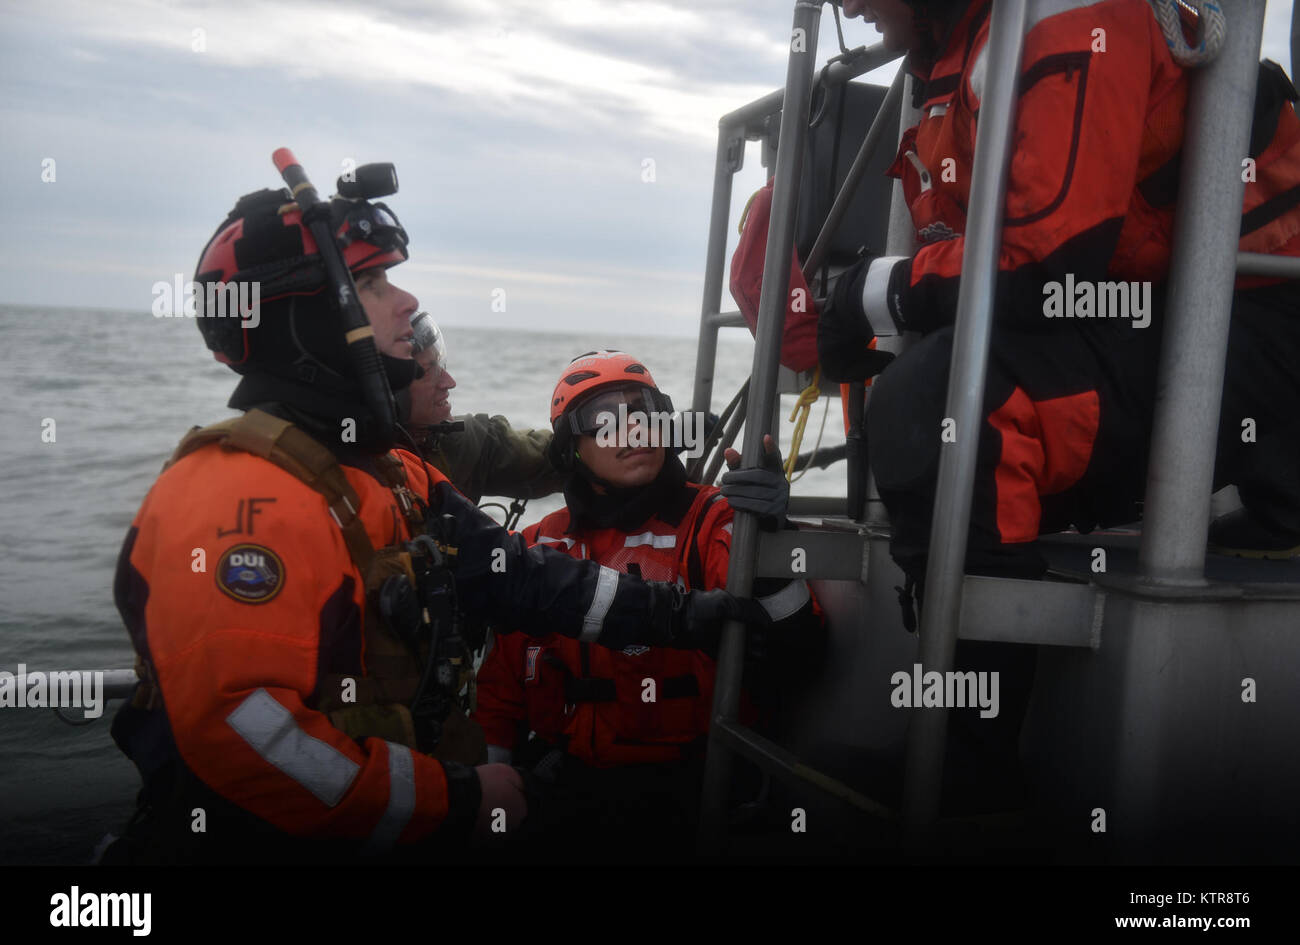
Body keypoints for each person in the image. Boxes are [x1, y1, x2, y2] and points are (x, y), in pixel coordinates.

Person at [106, 166, 766, 864]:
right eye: (371, 286)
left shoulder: (388, 470)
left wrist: (677, 614)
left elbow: (520, 577)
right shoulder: (234, 498)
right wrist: (453, 801)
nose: (405, 301)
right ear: (301, 320)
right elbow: (247, 735)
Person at [820, 0, 1300, 810]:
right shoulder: (963, 39)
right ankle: (957, 735)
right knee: (933, 413)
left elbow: (1052, 258)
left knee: (939, 410)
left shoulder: (1066, 12)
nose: (850, 9)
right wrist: (846, 317)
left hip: (1260, 318)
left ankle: (968, 778)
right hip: (1159, 305)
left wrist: (879, 294)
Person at [473, 350, 823, 858]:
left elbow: (799, 653)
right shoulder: (536, 550)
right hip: (564, 779)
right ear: (570, 447)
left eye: (646, 413)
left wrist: (769, 539)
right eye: (606, 421)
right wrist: (492, 790)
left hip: (692, 787)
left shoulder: (716, 524)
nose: (633, 430)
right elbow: (500, 693)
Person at [404, 313, 563, 507]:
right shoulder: (360, 470)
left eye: (441, 366)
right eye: (429, 371)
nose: (449, 382)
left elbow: (552, 456)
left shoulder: (458, 444)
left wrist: (589, 438)